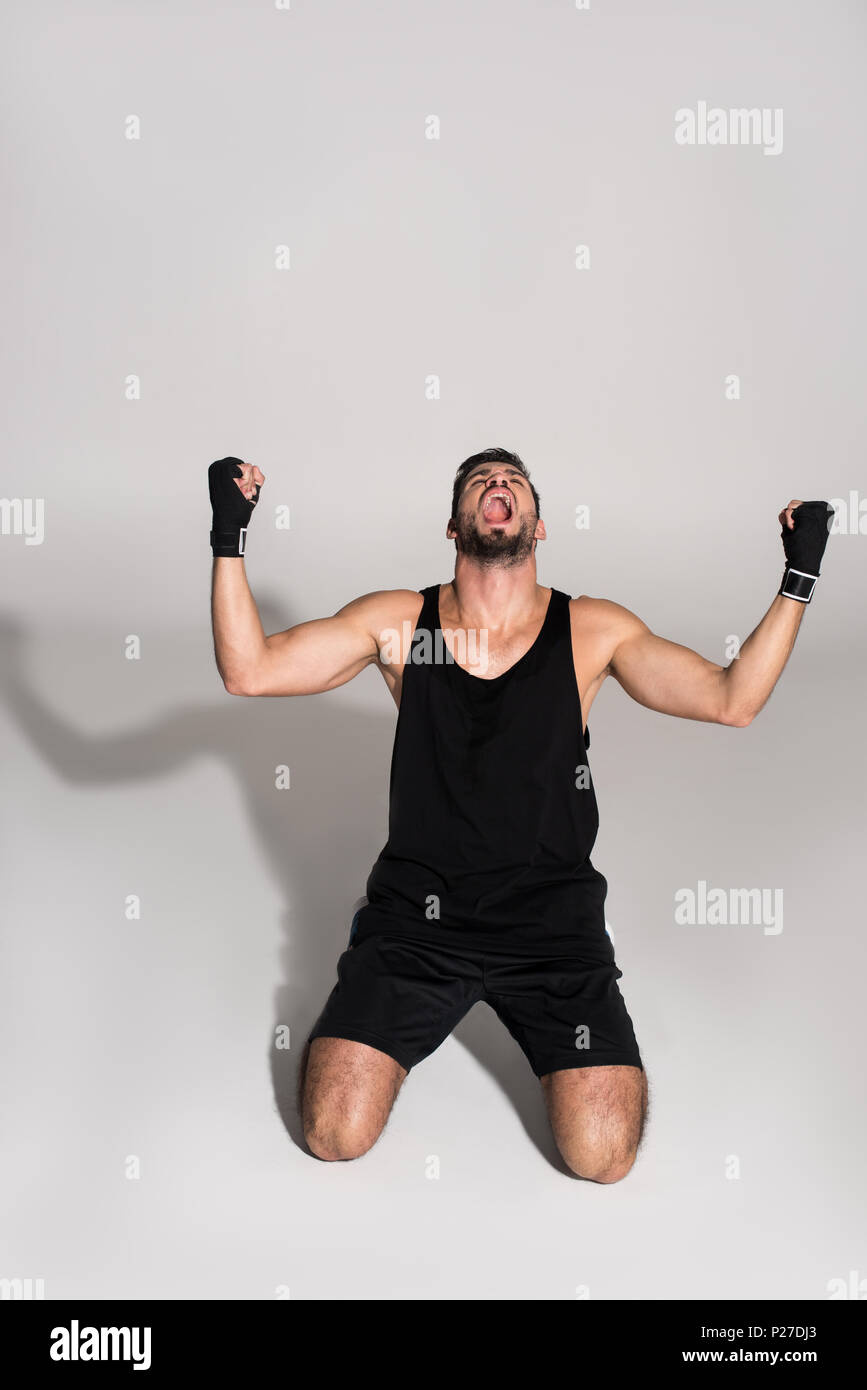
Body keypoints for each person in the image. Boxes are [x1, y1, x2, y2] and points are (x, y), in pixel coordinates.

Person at [208, 447, 832, 1181]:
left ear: (538, 527)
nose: (496, 484)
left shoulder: (592, 629)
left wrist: (799, 576)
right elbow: (249, 670)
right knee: (333, 1136)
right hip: (418, 923)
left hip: (551, 928)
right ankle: (368, 942)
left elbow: (733, 700)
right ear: (452, 525)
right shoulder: (400, 622)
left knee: (602, 1159)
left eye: (511, 481)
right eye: (479, 481)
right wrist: (228, 534)